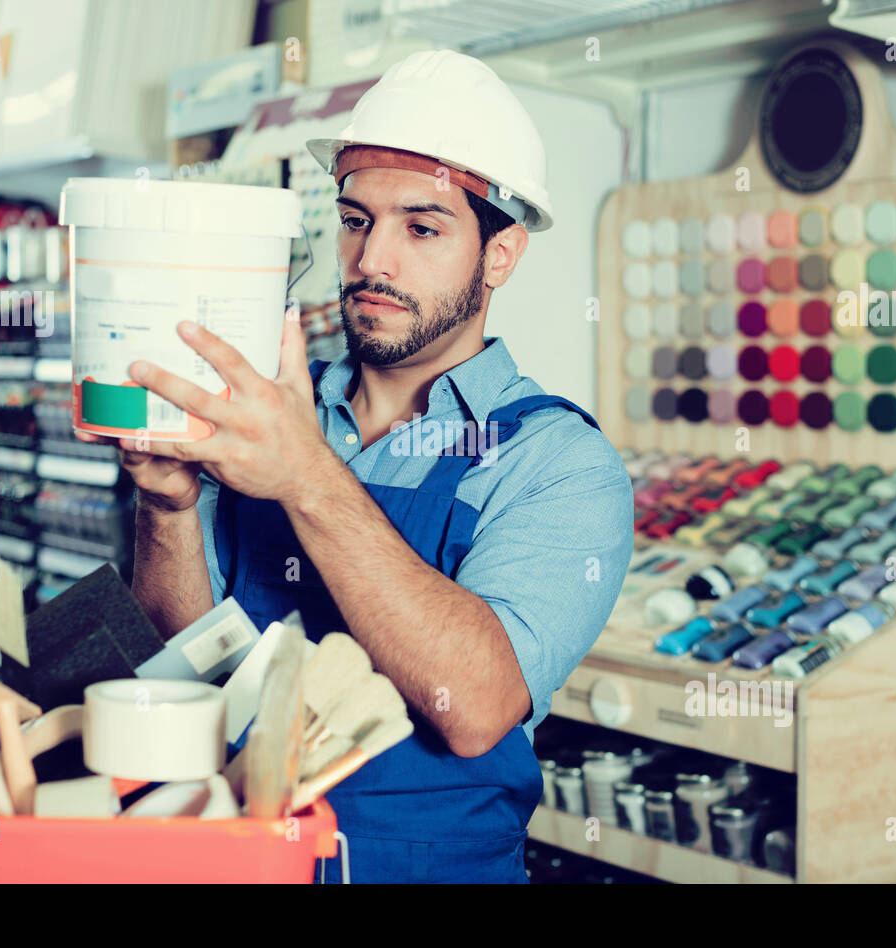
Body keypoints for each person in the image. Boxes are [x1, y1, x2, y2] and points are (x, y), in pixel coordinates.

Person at [94, 49, 634, 883]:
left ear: (501, 255)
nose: (373, 260)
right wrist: (164, 508)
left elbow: (477, 705)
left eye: (421, 227)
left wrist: (308, 478)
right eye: (355, 220)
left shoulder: (559, 464)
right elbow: (181, 669)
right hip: (236, 863)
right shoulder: (268, 410)